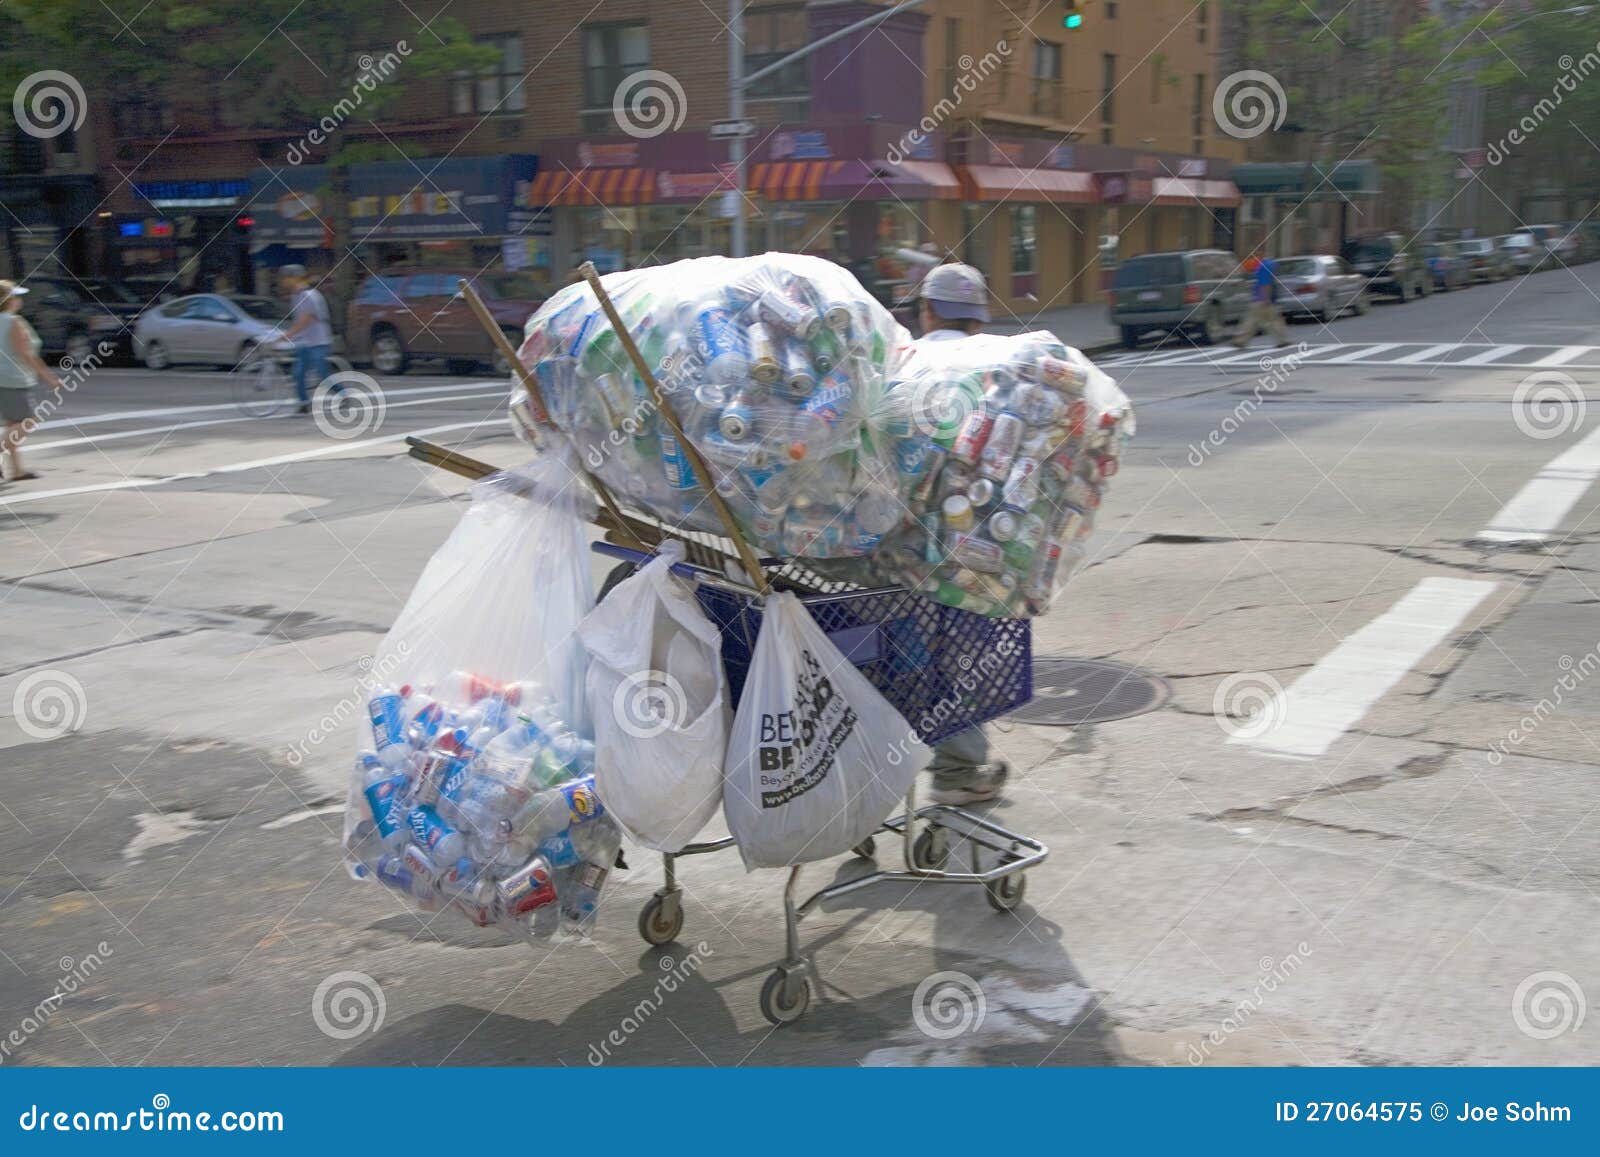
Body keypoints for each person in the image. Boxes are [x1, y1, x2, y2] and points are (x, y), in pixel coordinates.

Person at [914, 262, 1011, 805]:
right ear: (977, 320)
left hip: (888, 546)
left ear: (926, 312)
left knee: (893, 650)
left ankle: (880, 769)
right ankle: (958, 771)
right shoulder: (998, 372)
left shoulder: (900, 365)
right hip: (971, 544)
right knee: (960, 654)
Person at [0, 280, 63, 483]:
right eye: (16, 296)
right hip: (14, 379)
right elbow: (26, 354)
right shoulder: (13, 322)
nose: (19, 299)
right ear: (8, 300)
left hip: (6, 379)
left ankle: (17, 471)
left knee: (13, 425)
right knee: (28, 422)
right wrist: (50, 378)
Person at [279, 264, 332, 414]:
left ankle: (344, 396)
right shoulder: (296, 296)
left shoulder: (309, 296)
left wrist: (287, 336)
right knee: (298, 373)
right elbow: (298, 321)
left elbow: (305, 320)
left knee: (322, 374)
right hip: (304, 341)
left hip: (318, 341)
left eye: (286, 277)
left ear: (294, 278)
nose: (283, 281)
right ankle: (303, 403)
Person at [1231, 245, 1289, 349]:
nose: (1255, 256)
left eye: (1256, 253)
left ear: (1260, 253)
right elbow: (1272, 281)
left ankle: (1240, 340)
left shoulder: (1263, 266)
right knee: (1273, 320)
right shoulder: (1272, 264)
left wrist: (1265, 298)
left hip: (1261, 298)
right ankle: (1282, 340)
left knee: (1252, 320)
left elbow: (1265, 283)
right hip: (1269, 298)